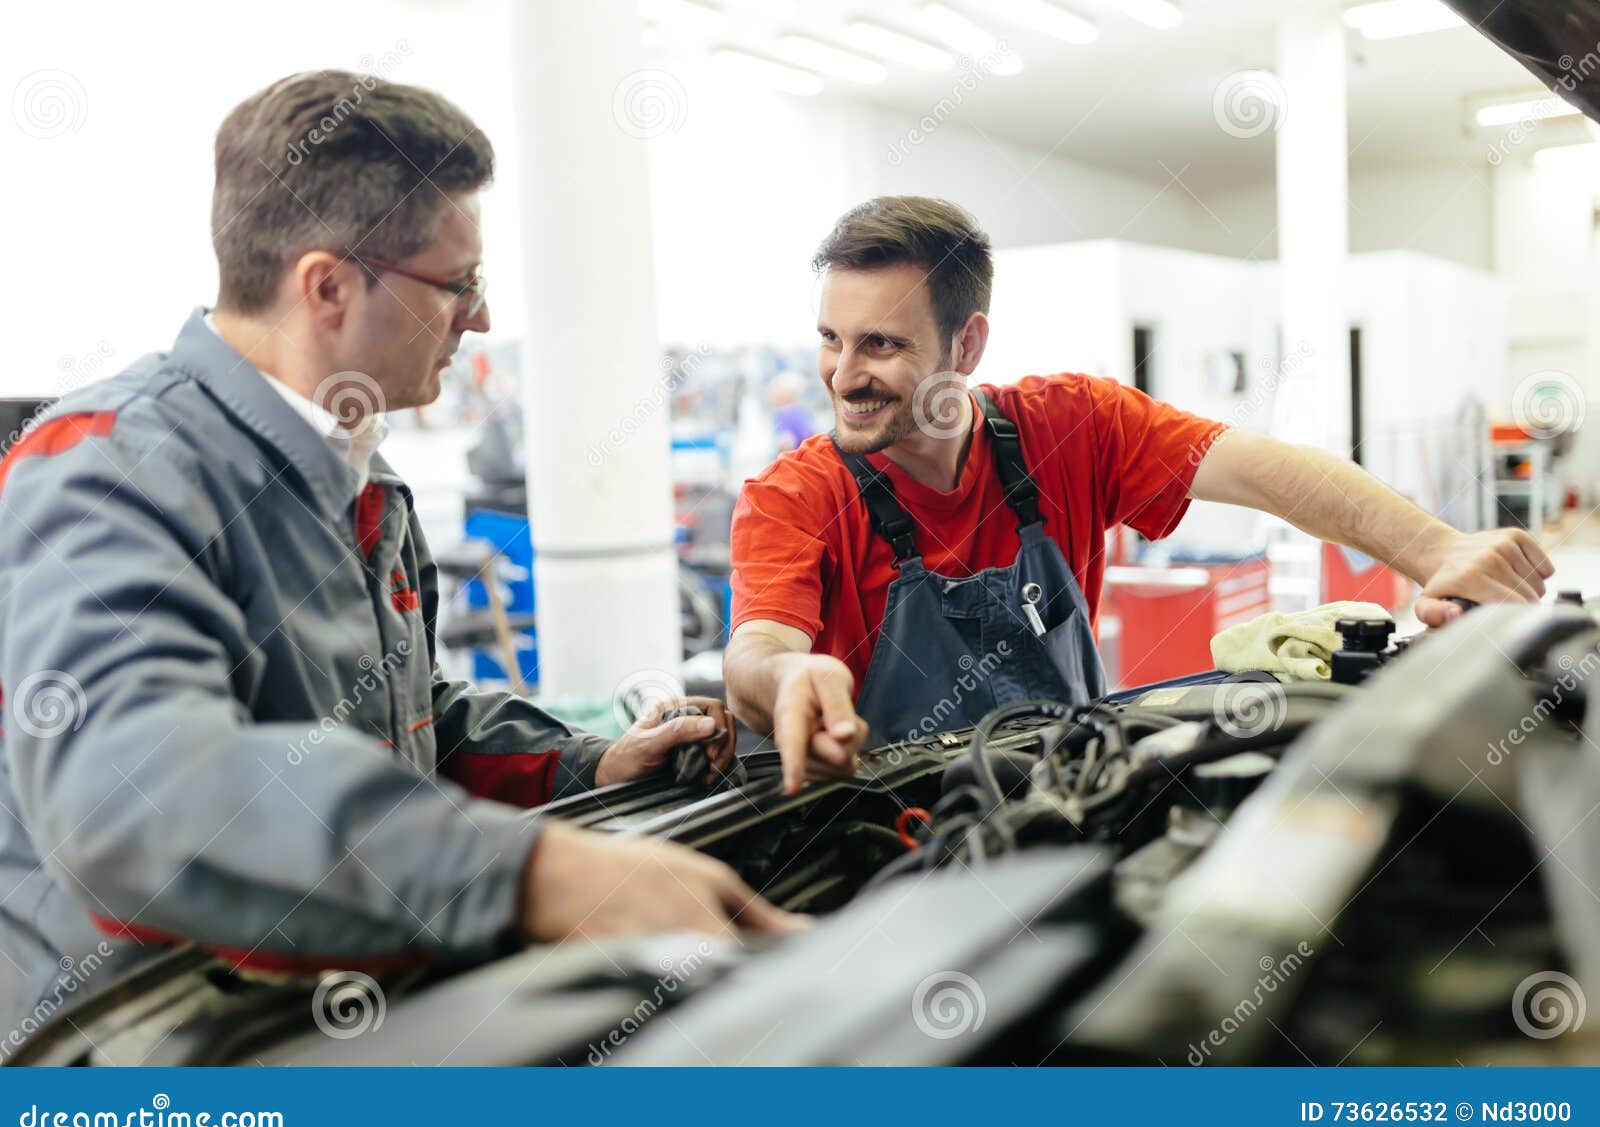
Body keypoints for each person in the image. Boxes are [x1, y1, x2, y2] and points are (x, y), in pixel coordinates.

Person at [0, 71, 801, 1037]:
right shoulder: (111, 467)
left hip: (344, 1000)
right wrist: (529, 872)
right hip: (151, 1044)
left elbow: (407, 726)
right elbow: (131, 793)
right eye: (458, 284)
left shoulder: (359, 477)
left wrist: (585, 767)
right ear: (328, 286)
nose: (484, 318)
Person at [723, 196, 1555, 793]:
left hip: (1073, 802)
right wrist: (788, 676)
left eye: (880, 344)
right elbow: (756, 648)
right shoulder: (795, 496)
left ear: (967, 342)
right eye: (831, 339)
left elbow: (1266, 470)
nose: (844, 373)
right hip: (889, 847)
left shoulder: (1070, 425)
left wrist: (1437, 549)